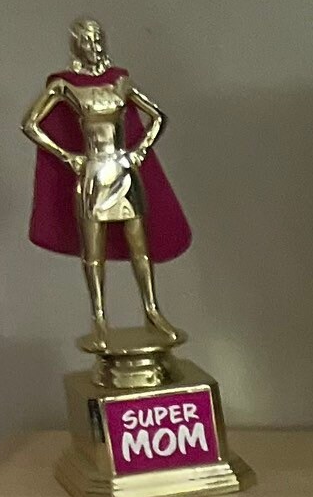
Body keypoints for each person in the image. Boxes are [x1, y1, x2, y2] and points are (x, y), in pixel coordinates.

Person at [22, 17, 192, 341]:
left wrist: (140, 150)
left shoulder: (120, 82)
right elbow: (30, 124)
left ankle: (152, 310)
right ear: (76, 45)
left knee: (139, 245)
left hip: (124, 170)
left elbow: (156, 116)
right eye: (86, 40)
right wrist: (66, 155)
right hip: (92, 174)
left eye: (98, 38)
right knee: (93, 249)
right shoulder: (64, 85)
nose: (94, 45)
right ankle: (99, 317)